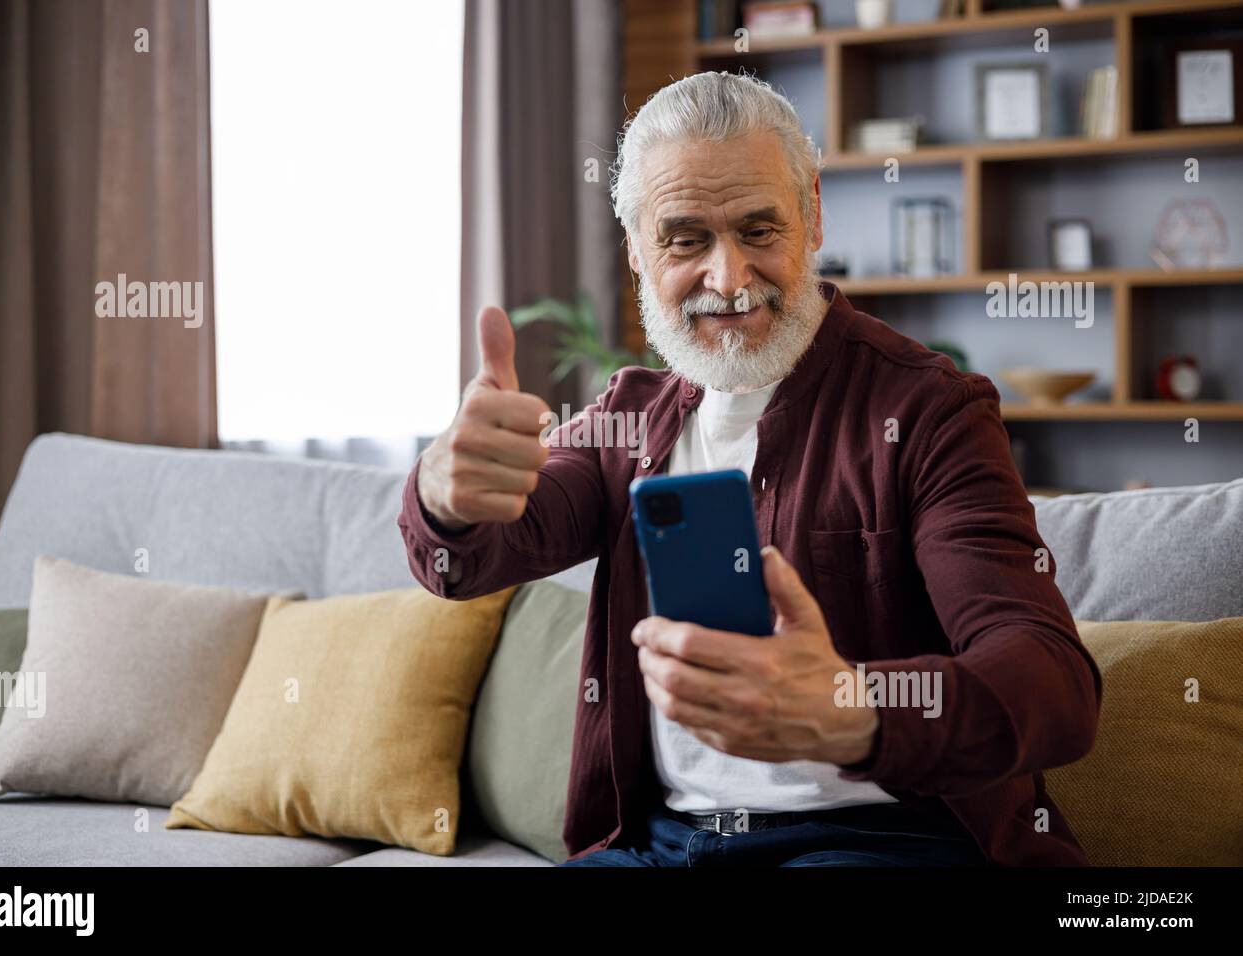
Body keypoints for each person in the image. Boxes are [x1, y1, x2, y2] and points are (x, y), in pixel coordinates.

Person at [399, 72, 1101, 867]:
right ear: (635, 249)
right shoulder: (627, 420)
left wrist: (853, 711)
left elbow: (1052, 683)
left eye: (759, 230)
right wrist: (445, 492)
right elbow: (467, 561)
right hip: (661, 845)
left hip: (877, 842)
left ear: (812, 218)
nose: (728, 279)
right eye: (685, 238)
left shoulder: (931, 410)